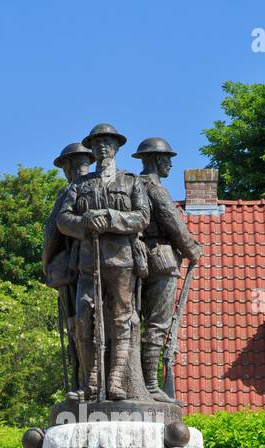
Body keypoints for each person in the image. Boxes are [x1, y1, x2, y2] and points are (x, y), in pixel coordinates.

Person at [55, 123, 151, 401]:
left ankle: (117, 380)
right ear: (92, 150)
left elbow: (142, 217)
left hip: (122, 262)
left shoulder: (131, 181)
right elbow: (63, 219)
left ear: (117, 147)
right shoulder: (80, 185)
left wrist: (111, 217)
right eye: (97, 144)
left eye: (108, 143)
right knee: (85, 319)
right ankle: (92, 381)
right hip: (88, 262)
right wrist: (85, 222)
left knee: (122, 320)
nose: (103, 148)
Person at [133, 137, 203, 403]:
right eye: (167, 159)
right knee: (158, 324)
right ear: (155, 159)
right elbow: (175, 226)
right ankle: (151, 384)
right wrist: (193, 250)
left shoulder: (133, 185)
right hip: (161, 261)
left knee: (138, 323)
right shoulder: (155, 189)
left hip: (139, 260)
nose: (170, 164)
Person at [42, 142, 94, 396]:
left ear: (70, 164)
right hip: (104, 267)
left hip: (74, 270)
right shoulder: (100, 186)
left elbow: (53, 231)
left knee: (76, 327)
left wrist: (47, 262)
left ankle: (80, 380)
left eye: (64, 165)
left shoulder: (69, 191)